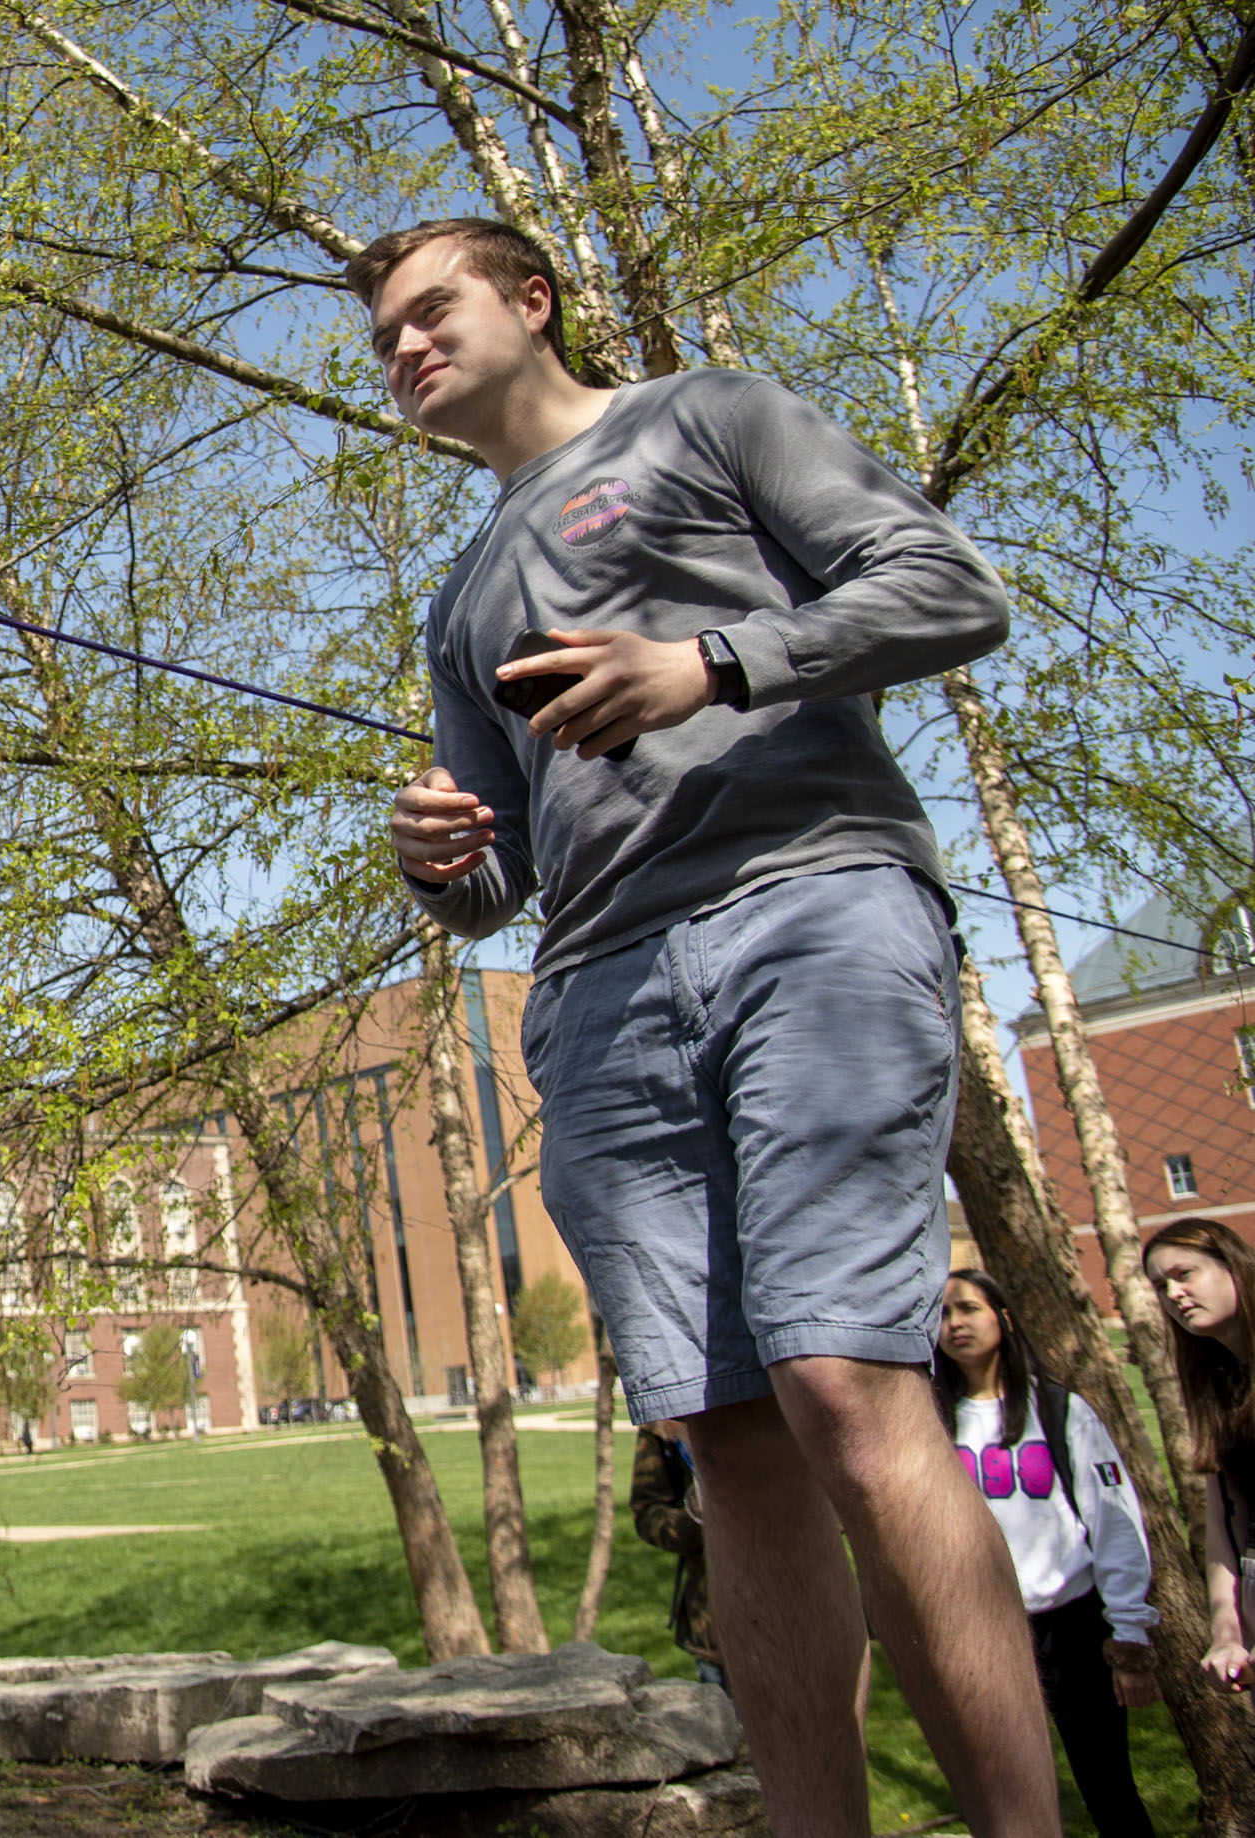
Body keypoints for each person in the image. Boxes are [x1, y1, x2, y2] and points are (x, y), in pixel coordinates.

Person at [353, 215, 1056, 1834]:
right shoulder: (464, 596)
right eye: (383, 334)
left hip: (811, 907)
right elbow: (503, 874)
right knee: (731, 1444)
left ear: (532, 299)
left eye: (430, 310)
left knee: (847, 1395)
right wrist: (441, 869)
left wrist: (713, 661)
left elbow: (951, 588)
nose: (403, 348)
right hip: (599, 991)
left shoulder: (712, 416)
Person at [932, 1270, 1160, 1837]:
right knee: (1005, 1792)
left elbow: (1114, 1521)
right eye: (942, 1314)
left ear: (1003, 1319)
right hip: (983, 1633)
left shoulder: (1059, 1410)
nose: (954, 1324)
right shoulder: (931, 1424)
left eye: (968, 1309)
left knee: (1107, 1787)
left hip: (1070, 1628)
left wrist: (1129, 1635)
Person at [1141, 1216, 1255, 1696]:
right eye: (1161, 1286)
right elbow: (1225, 1519)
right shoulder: (1219, 1385)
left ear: (1233, 1266)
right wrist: (1226, 1632)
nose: (1173, 1294)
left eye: (1185, 1274)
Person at [628, 1419, 724, 1693]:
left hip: (805, 1609)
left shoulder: (779, 1385)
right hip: (715, 1623)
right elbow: (648, 1511)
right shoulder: (663, 1418)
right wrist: (694, 1519)